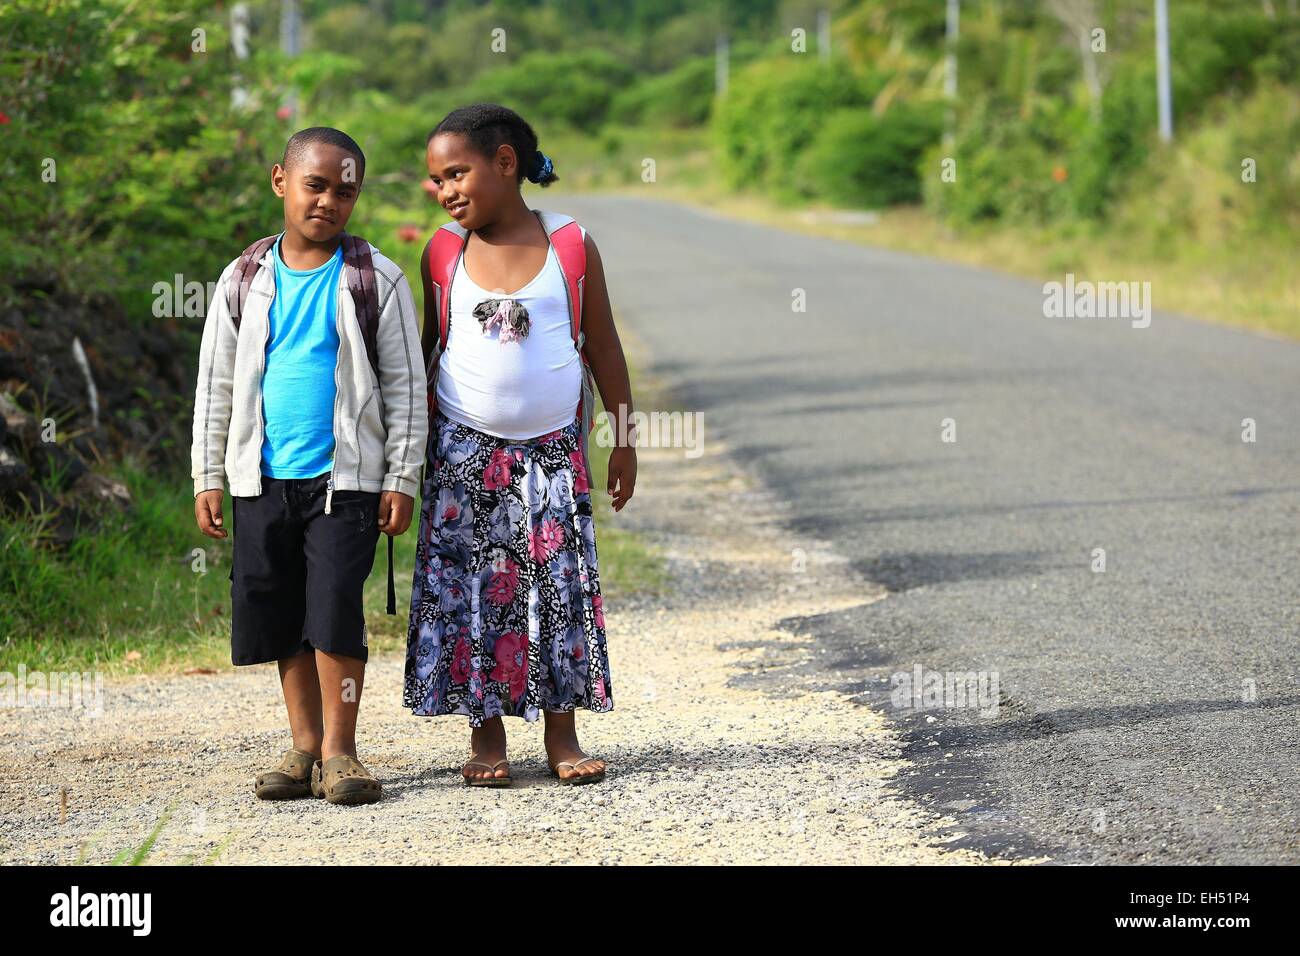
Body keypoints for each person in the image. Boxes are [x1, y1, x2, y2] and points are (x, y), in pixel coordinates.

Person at [191, 127, 426, 805]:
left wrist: (401, 477)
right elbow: (216, 385)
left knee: (333, 612)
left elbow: (406, 387)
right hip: (262, 479)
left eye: (344, 191)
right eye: (315, 185)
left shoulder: (373, 278)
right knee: (284, 614)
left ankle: (341, 752)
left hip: (345, 483)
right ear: (280, 182)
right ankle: (303, 746)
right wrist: (210, 474)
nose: (328, 201)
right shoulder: (242, 279)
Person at [404, 103, 637, 786]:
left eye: (456, 173)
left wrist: (622, 440)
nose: (445, 191)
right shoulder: (443, 252)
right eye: (436, 180)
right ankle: (487, 738)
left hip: (552, 454)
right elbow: (427, 351)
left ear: (505, 164)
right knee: (475, 593)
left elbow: (604, 347)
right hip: (462, 456)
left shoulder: (569, 244)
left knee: (556, 590)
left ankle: (562, 736)